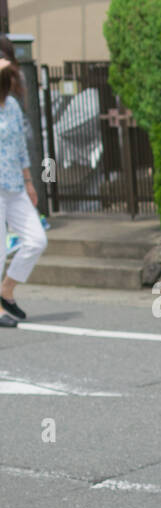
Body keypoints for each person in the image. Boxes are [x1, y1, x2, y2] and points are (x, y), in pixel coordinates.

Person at [0, 40, 47, 327]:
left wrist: (30, 182)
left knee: (36, 240)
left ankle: (6, 290)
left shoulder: (13, 105)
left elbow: (20, 147)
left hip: (15, 184)